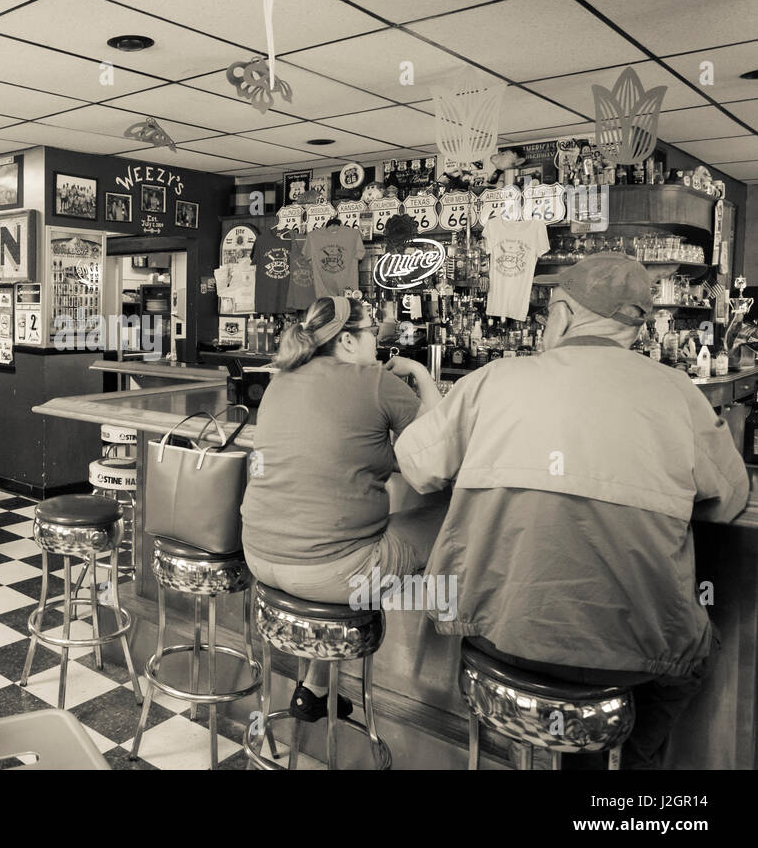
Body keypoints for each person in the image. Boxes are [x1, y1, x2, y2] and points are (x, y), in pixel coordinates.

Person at [394, 253, 749, 768]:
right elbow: (730, 500)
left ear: (559, 313)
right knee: (688, 661)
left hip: (496, 639)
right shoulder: (679, 394)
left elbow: (416, 465)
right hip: (633, 656)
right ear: (638, 326)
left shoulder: (493, 381)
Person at [240, 295, 447, 722]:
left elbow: (342, 448)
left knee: (346, 537)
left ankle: (314, 688)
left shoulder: (281, 377)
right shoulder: (372, 378)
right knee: (449, 510)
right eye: (373, 331)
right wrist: (422, 374)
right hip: (333, 573)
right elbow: (436, 455)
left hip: (259, 558)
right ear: (349, 341)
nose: (377, 341)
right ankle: (447, 666)